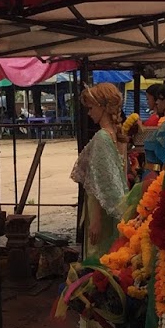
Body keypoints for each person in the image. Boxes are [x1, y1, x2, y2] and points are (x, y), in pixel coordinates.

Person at [70, 82, 129, 261]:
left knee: (99, 255)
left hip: (100, 210)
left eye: (91, 107)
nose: (89, 113)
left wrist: (95, 219)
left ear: (103, 107)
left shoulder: (102, 137)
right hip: (117, 207)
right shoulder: (118, 135)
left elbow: (96, 183)